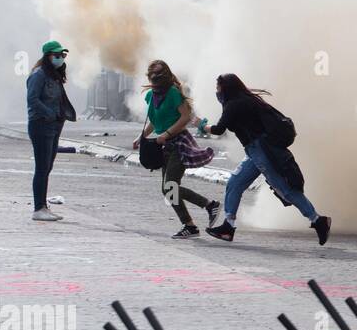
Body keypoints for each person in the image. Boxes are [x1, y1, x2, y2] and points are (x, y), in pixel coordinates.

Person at [204, 74, 331, 245]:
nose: (217, 91)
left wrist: (201, 125)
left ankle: (318, 220)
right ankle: (228, 226)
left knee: (285, 189)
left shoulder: (234, 104)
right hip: (255, 151)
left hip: (261, 151)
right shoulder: (247, 99)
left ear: (226, 88)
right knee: (235, 183)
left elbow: (219, 129)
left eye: (218, 87)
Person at [131, 60, 220, 239]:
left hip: (179, 143)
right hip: (163, 145)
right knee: (168, 189)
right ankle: (190, 226)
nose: (155, 79)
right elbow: (155, 121)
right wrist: (141, 137)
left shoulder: (173, 93)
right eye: (152, 75)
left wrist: (168, 133)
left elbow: (186, 117)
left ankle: (209, 205)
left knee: (169, 186)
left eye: (158, 75)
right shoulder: (150, 96)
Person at [25, 40, 76, 221]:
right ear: (47, 57)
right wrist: (49, 115)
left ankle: (43, 207)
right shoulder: (38, 75)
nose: (60, 59)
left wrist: (60, 116)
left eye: (62, 56)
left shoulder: (53, 75)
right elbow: (32, 100)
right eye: (56, 56)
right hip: (41, 125)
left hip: (53, 126)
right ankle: (39, 208)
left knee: (47, 166)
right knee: (42, 167)